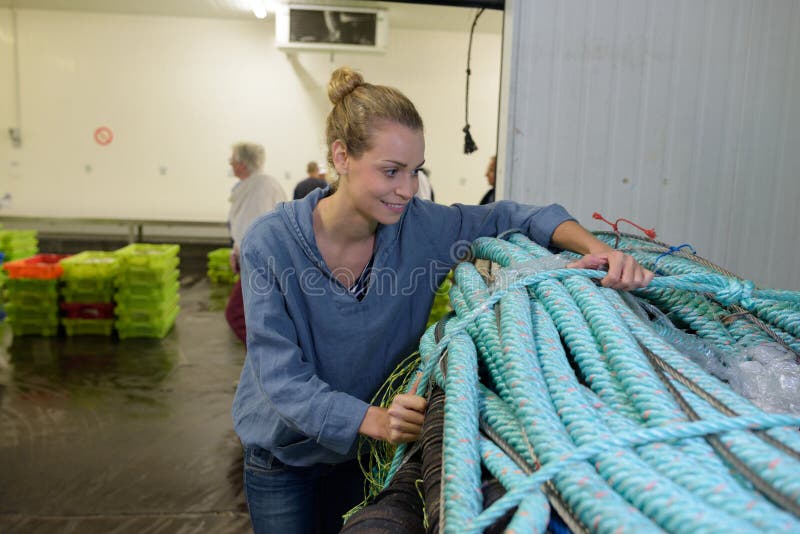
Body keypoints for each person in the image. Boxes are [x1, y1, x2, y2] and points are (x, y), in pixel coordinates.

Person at [232, 67, 653, 534]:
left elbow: (515, 216)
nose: (407, 190)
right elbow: (279, 376)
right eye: (390, 171)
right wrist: (372, 418)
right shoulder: (270, 243)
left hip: (363, 452)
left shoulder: (420, 227)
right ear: (342, 156)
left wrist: (600, 251)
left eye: (415, 172)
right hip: (284, 458)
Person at [225, 142, 287, 343]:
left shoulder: (260, 187)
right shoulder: (254, 185)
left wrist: (242, 255)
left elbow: (253, 229)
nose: (230, 162)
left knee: (236, 315)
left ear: (243, 163)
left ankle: (267, 361)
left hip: (260, 263)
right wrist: (236, 253)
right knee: (254, 316)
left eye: (233, 159)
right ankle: (263, 366)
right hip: (257, 261)